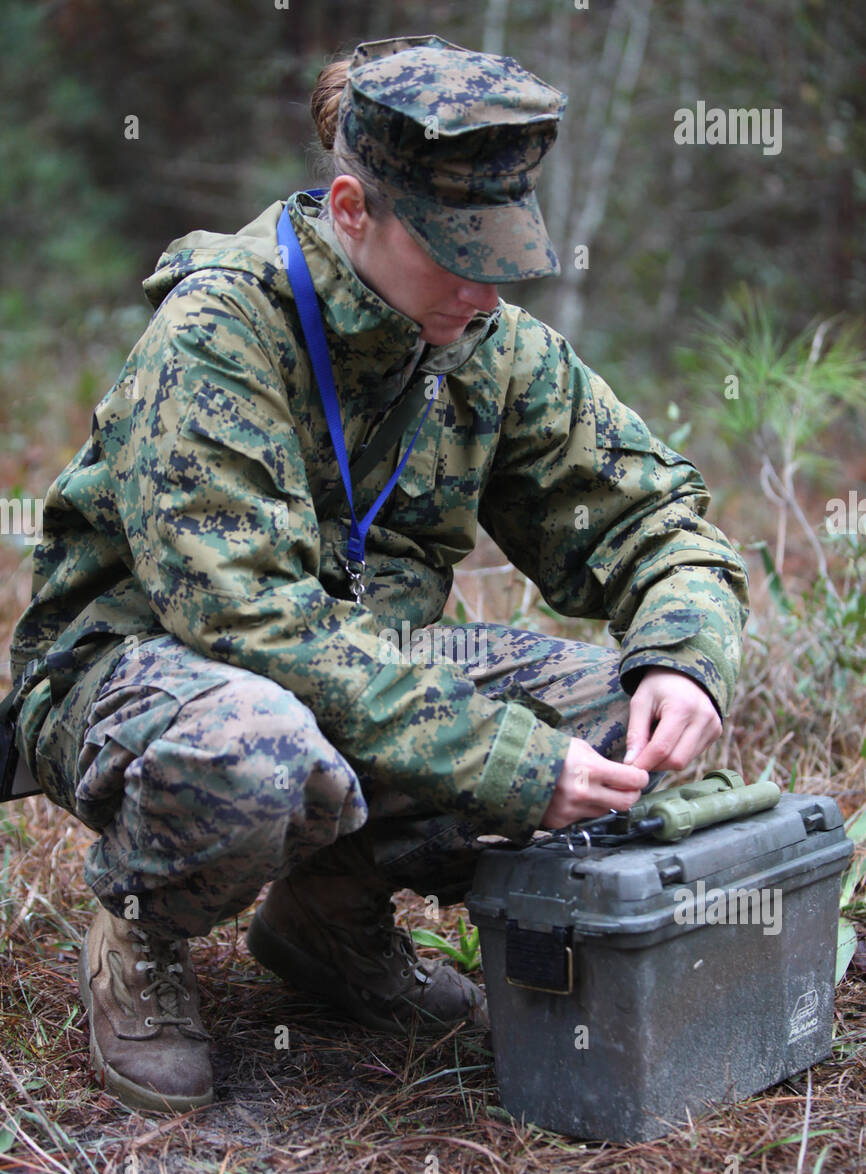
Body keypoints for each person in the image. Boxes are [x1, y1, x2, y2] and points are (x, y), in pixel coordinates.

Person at [7, 34, 749, 1114]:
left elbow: (650, 516)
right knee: (255, 747)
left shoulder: (485, 345)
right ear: (352, 210)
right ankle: (142, 925)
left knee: (611, 717)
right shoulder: (217, 334)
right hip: (144, 675)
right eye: (457, 251)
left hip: (349, 669)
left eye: (504, 250)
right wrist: (499, 755)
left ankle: (324, 920)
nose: (487, 288)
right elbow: (251, 623)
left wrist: (681, 656)